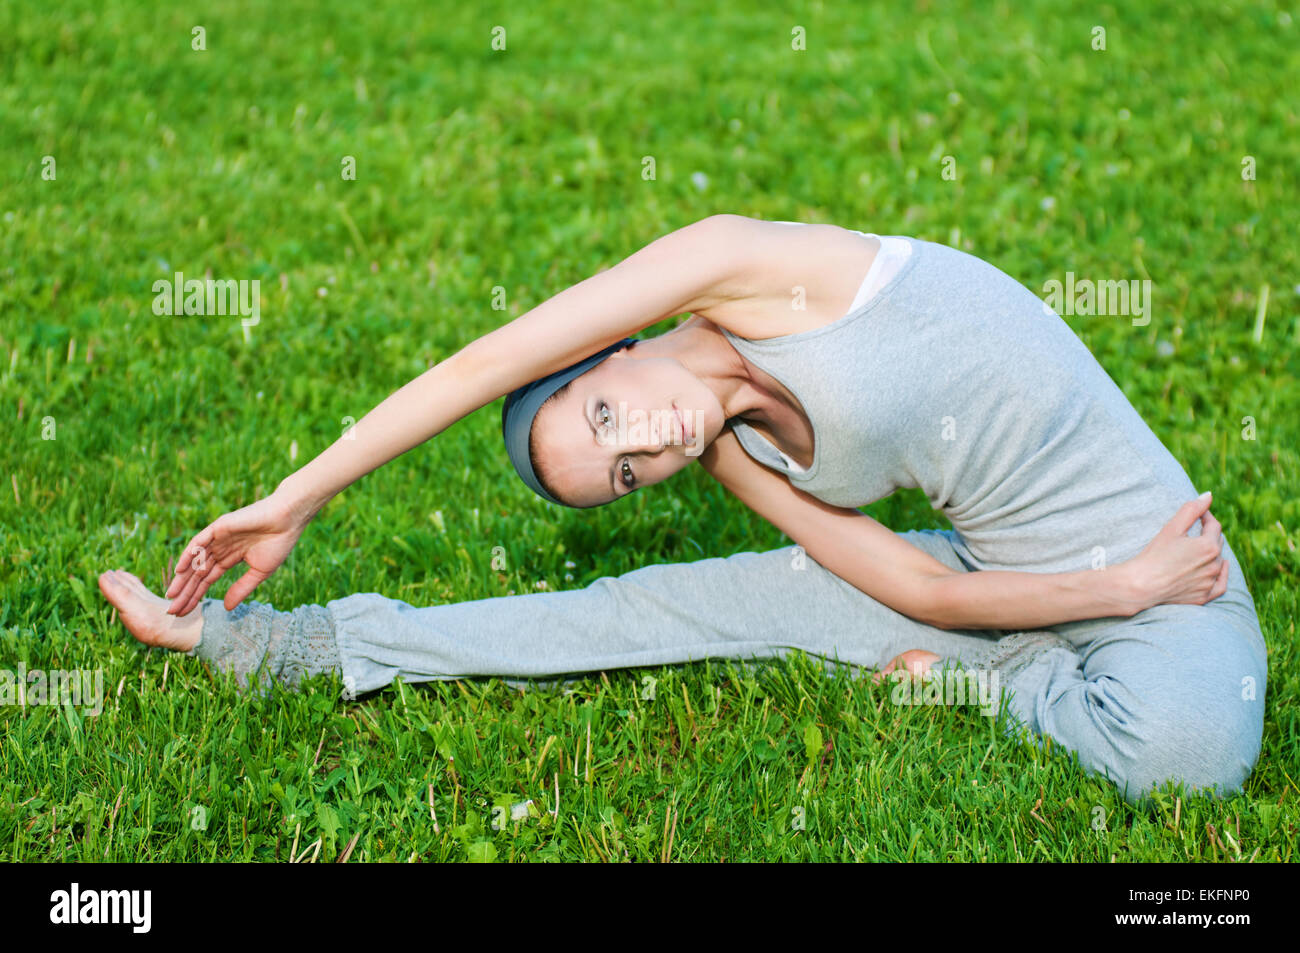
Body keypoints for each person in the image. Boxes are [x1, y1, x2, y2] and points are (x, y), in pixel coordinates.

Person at [98, 215, 1266, 804]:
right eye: (620, 476)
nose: (643, 448)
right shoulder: (742, 458)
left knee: (1195, 748)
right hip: (1024, 579)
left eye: (605, 418)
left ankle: (998, 671)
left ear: (612, 349)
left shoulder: (738, 264)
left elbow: (474, 368)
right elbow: (921, 587)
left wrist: (299, 494)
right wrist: (1108, 595)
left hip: (1165, 557)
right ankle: (284, 646)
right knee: (644, 608)